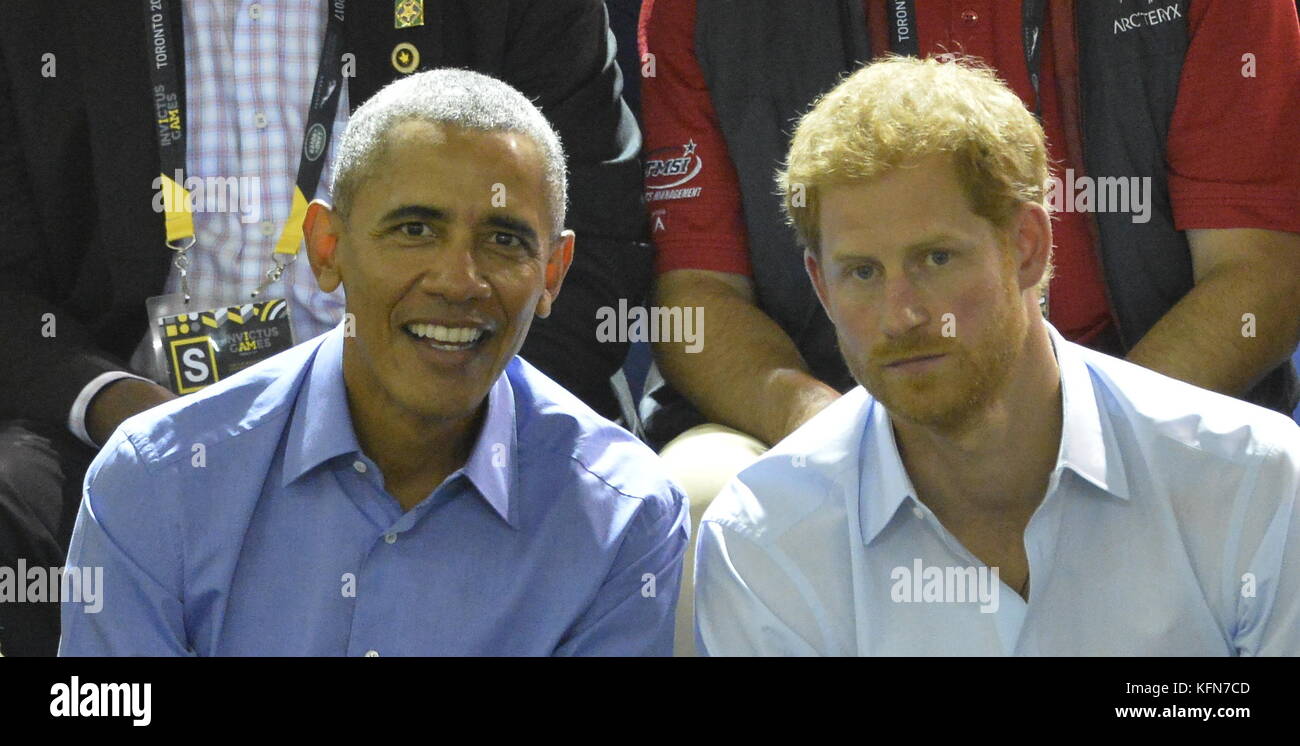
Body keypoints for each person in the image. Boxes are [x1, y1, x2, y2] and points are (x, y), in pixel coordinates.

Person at [0, 0, 647, 656]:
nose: (455, 272)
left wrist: (439, 440)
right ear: (324, 242)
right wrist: (130, 414)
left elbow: (596, 242)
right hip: (122, 401)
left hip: (446, 411)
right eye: (416, 231)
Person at [637, 0, 1300, 552]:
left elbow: (1259, 276)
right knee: (699, 505)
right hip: (840, 397)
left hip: (1144, 394)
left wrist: (1091, 447)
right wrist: (847, 447)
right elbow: (698, 299)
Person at [694, 56, 1300, 656]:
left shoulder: (1254, 481)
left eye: (935, 258)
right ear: (821, 287)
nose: (901, 315)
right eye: (861, 272)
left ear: (1027, 248)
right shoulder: (762, 538)